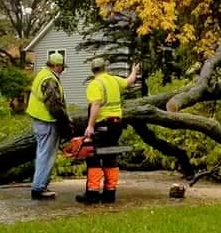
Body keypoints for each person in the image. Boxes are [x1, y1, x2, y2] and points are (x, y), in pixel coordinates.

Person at [76, 56, 140, 207]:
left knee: (93, 157)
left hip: (102, 125)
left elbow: (96, 105)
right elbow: (130, 81)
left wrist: (90, 126)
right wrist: (134, 71)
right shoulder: (114, 80)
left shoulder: (95, 84)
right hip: (117, 125)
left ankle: (92, 194)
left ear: (93, 70)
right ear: (105, 68)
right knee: (110, 157)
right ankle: (109, 193)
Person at [26, 50, 73, 201]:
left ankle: (40, 185)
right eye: (62, 67)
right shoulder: (50, 80)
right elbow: (54, 106)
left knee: (42, 153)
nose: (63, 70)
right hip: (47, 121)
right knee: (46, 155)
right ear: (56, 66)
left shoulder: (42, 74)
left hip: (39, 120)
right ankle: (39, 188)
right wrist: (65, 122)